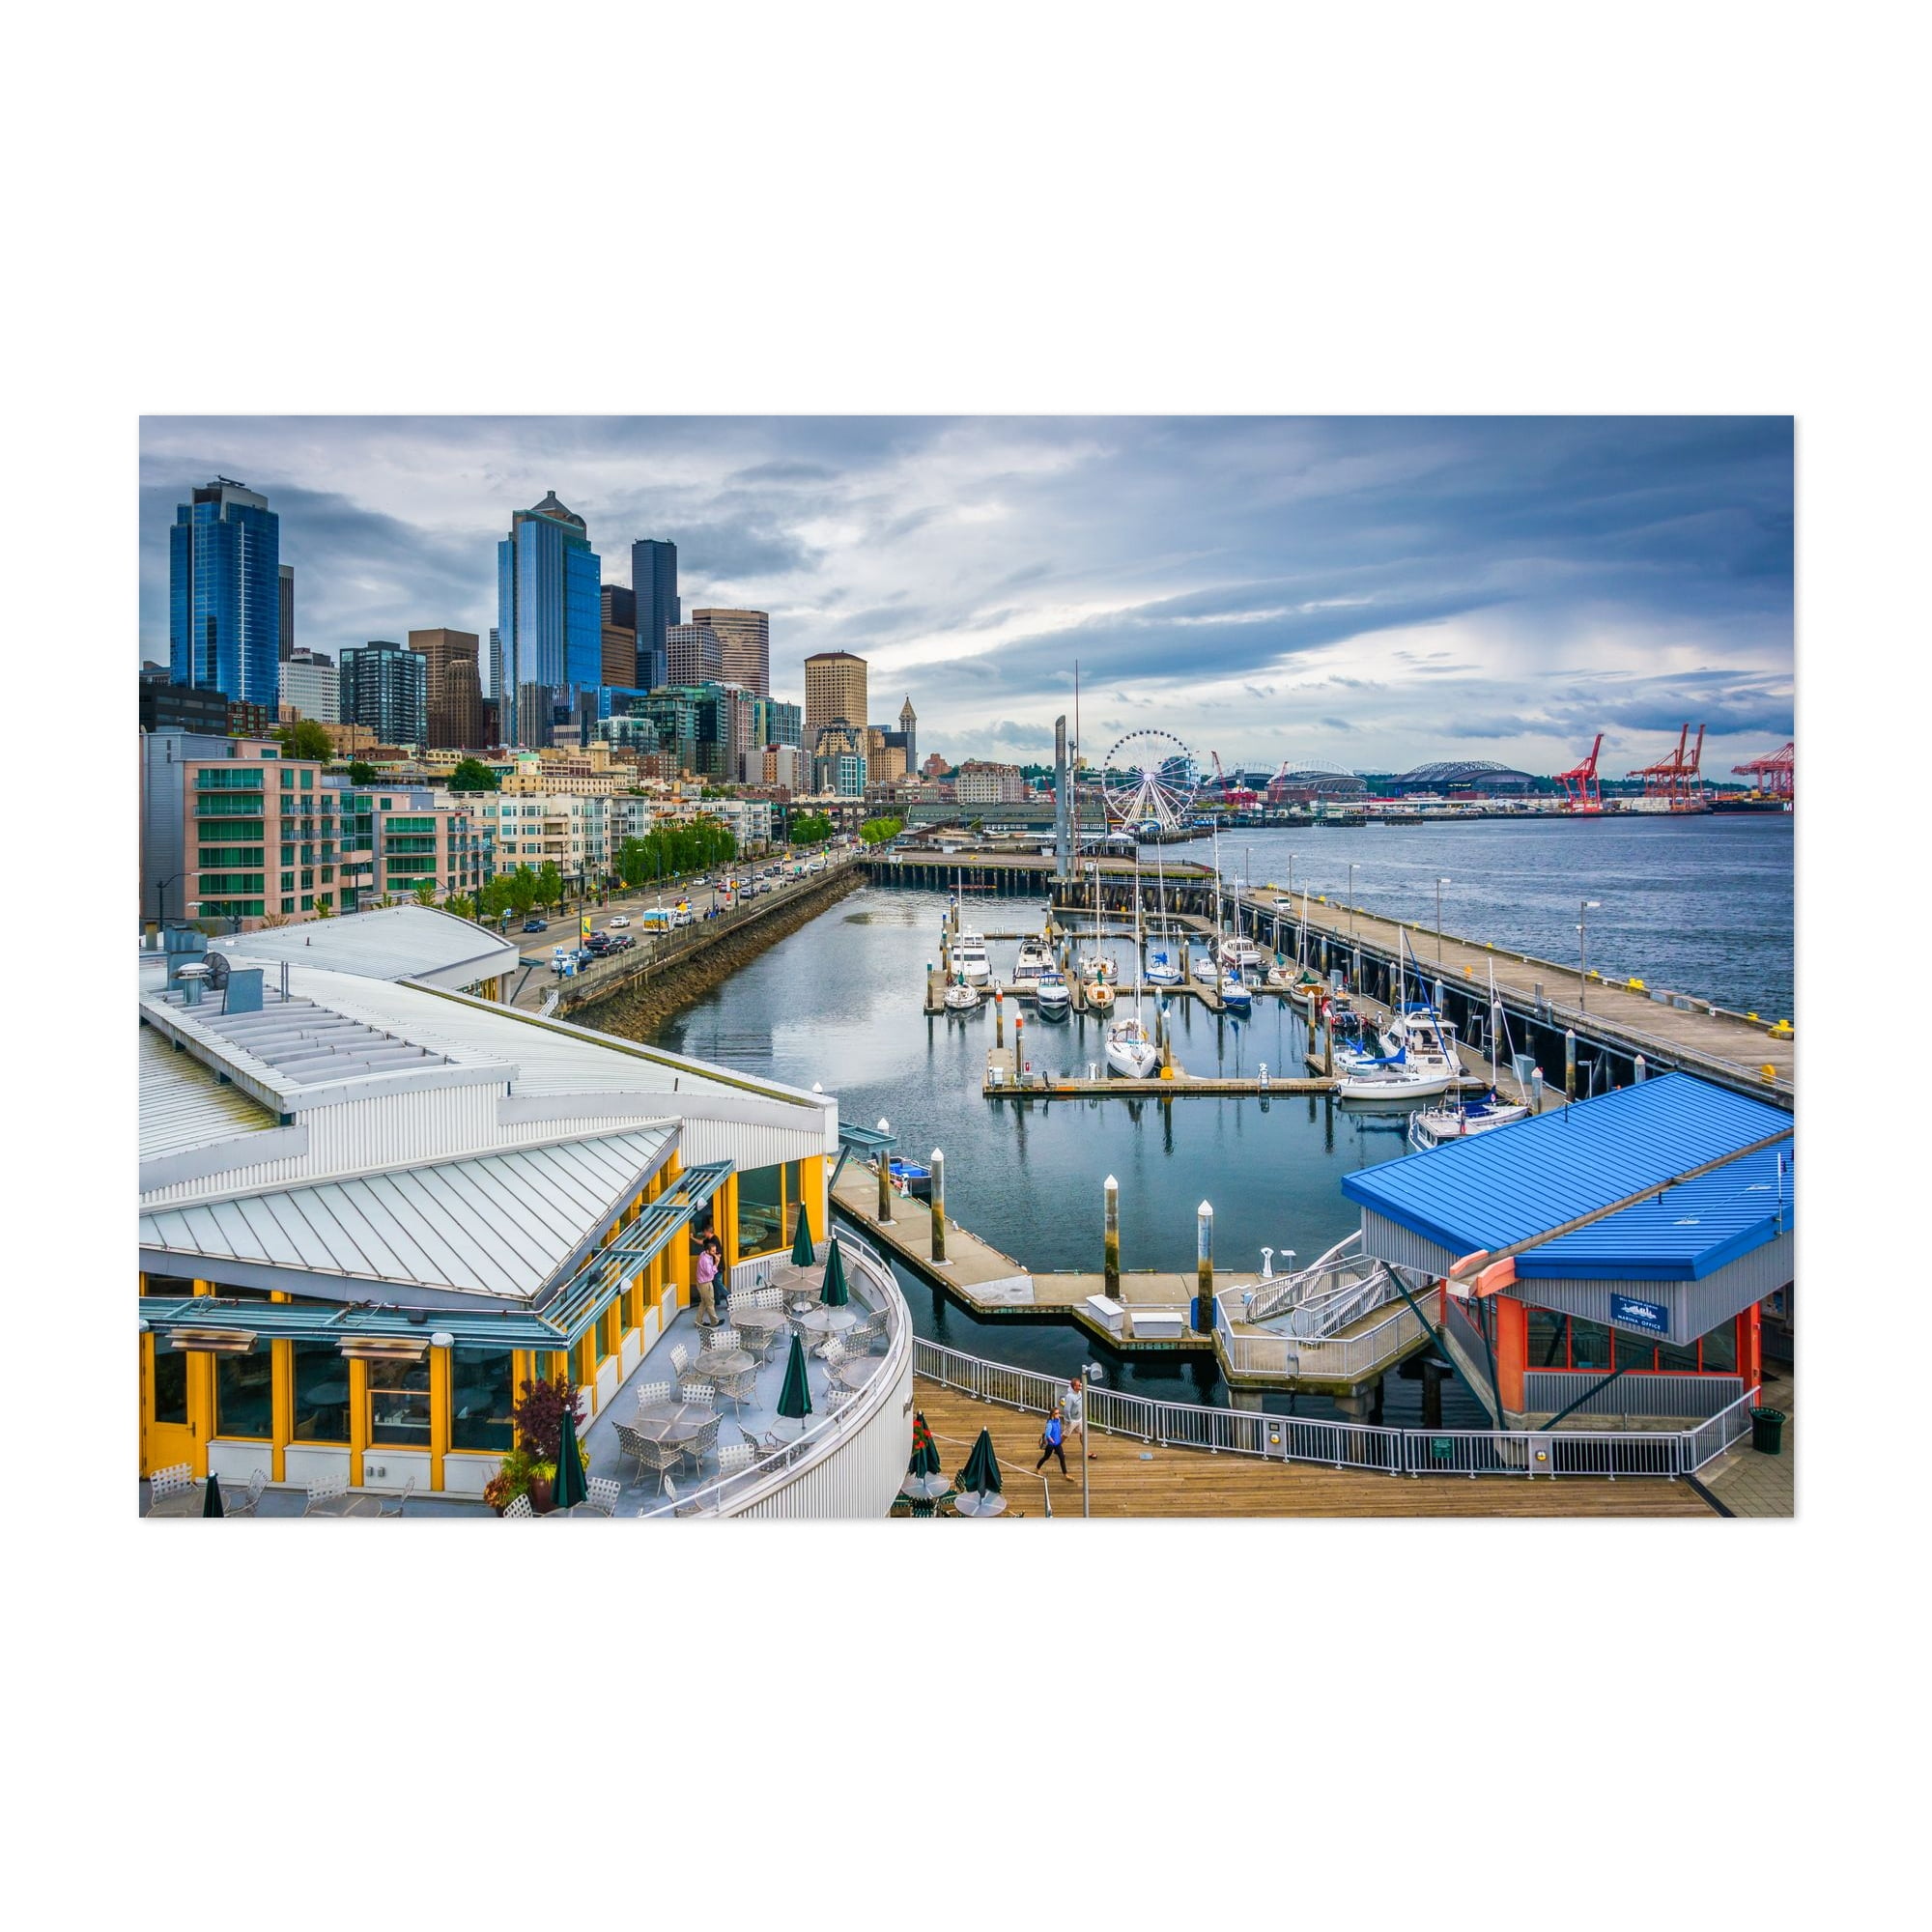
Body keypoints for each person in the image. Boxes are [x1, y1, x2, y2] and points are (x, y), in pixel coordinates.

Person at [1060, 1378, 1094, 1459]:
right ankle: (1057, 1448)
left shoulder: (1079, 1393)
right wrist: (1069, 1421)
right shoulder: (1069, 1397)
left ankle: (1086, 1452)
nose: (1080, 1386)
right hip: (1072, 1420)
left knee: (1082, 1434)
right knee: (1065, 1436)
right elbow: (1067, 1410)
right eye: (1079, 1385)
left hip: (1079, 1419)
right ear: (1074, 1387)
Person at [694, 1239, 720, 1328]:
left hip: (702, 1282)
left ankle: (698, 1321)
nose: (714, 1252)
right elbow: (710, 1273)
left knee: (704, 1302)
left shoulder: (703, 1254)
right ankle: (714, 1321)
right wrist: (716, 1263)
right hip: (705, 1283)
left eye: (715, 1250)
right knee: (710, 1302)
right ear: (707, 1251)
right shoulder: (705, 1260)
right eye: (712, 1251)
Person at [1036, 1410, 1067, 1477]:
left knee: (1062, 1457)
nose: (1058, 1414)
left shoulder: (1058, 1421)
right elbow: (1047, 1434)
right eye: (1056, 1413)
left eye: (1058, 1413)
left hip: (1058, 1444)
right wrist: (1052, 1441)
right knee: (1046, 1457)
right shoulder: (1050, 1424)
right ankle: (1037, 1468)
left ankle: (1065, 1474)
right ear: (1052, 1415)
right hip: (1051, 1445)